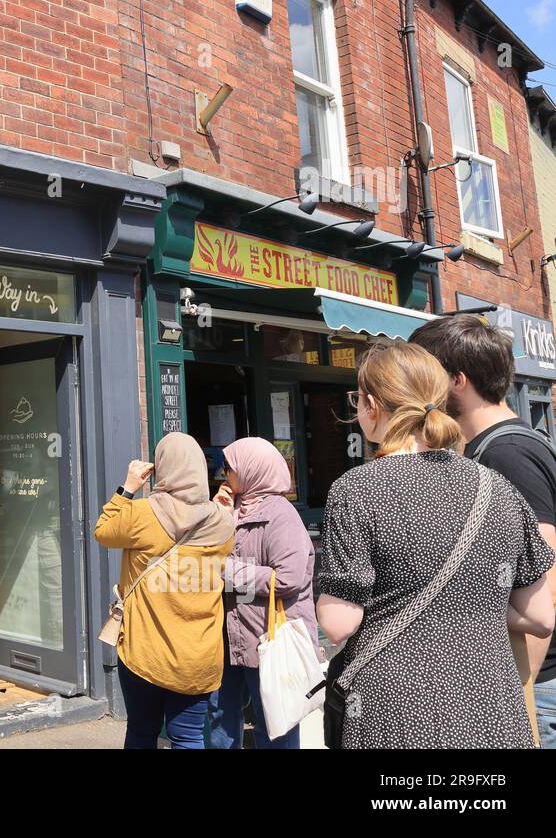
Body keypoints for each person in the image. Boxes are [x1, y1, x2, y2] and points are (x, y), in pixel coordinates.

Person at [316, 341, 555, 748]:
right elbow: (541, 617)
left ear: (372, 406)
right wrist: (470, 603)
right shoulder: (496, 486)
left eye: (357, 399)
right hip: (493, 710)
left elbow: (339, 624)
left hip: (394, 711)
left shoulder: (356, 490)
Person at [411, 314, 556, 747]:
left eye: (425, 376)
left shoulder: (506, 455)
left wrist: (516, 699)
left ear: (456, 381)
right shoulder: (504, 447)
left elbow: (544, 586)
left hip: (532, 688)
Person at [94, 432, 235, 749]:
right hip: (199, 655)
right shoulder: (223, 522)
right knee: (188, 738)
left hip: (145, 651)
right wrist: (216, 507)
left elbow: (103, 530)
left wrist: (128, 487)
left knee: (142, 732)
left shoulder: (142, 514)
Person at [207, 437, 318, 749]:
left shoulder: (281, 515)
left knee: (274, 725)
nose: (222, 474)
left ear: (252, 470)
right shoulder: (234, 510)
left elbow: (289, 578)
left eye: (229, 467)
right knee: (221, 717)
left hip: (268, 640)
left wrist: (226, 571)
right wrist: (219, 515)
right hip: (230, 636)